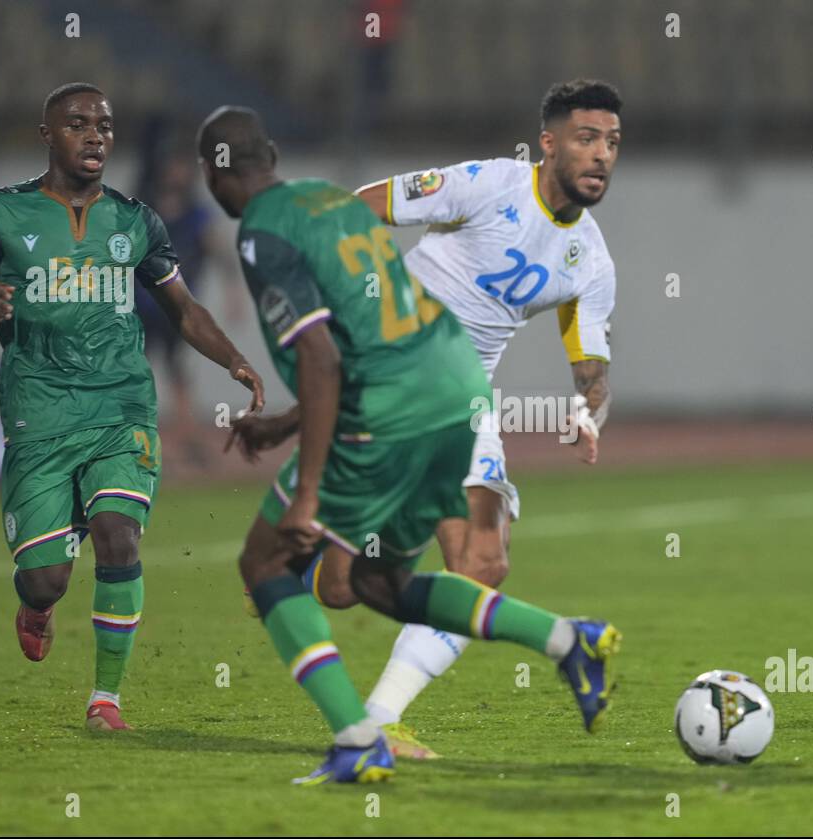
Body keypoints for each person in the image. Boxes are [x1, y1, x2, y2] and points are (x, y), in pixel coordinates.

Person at [198, 104, 620, 784]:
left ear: (213, 177)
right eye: (588, 138)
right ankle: (569, 640)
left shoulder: (591, 260)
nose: (602, 154)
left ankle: (367, 726)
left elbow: (324, 354)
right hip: (444, 384)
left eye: (611, 142)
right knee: (358, 585)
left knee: (457, 559)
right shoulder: (480, 184)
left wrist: (588, 408)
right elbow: (372, 229)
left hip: (402, 396)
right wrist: (293, 419)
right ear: (550, 143)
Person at [0, 83, 264, 730]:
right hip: (40, 415)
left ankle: (106, 700)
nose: (95, 137)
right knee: (47, 579)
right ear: (47, 135)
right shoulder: (2, 212)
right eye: (78, 124)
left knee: (120, 537)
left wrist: (234, 359)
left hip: (122, 409)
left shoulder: (137, 221)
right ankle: (35, 607)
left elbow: (184, 308)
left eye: (105, 127)